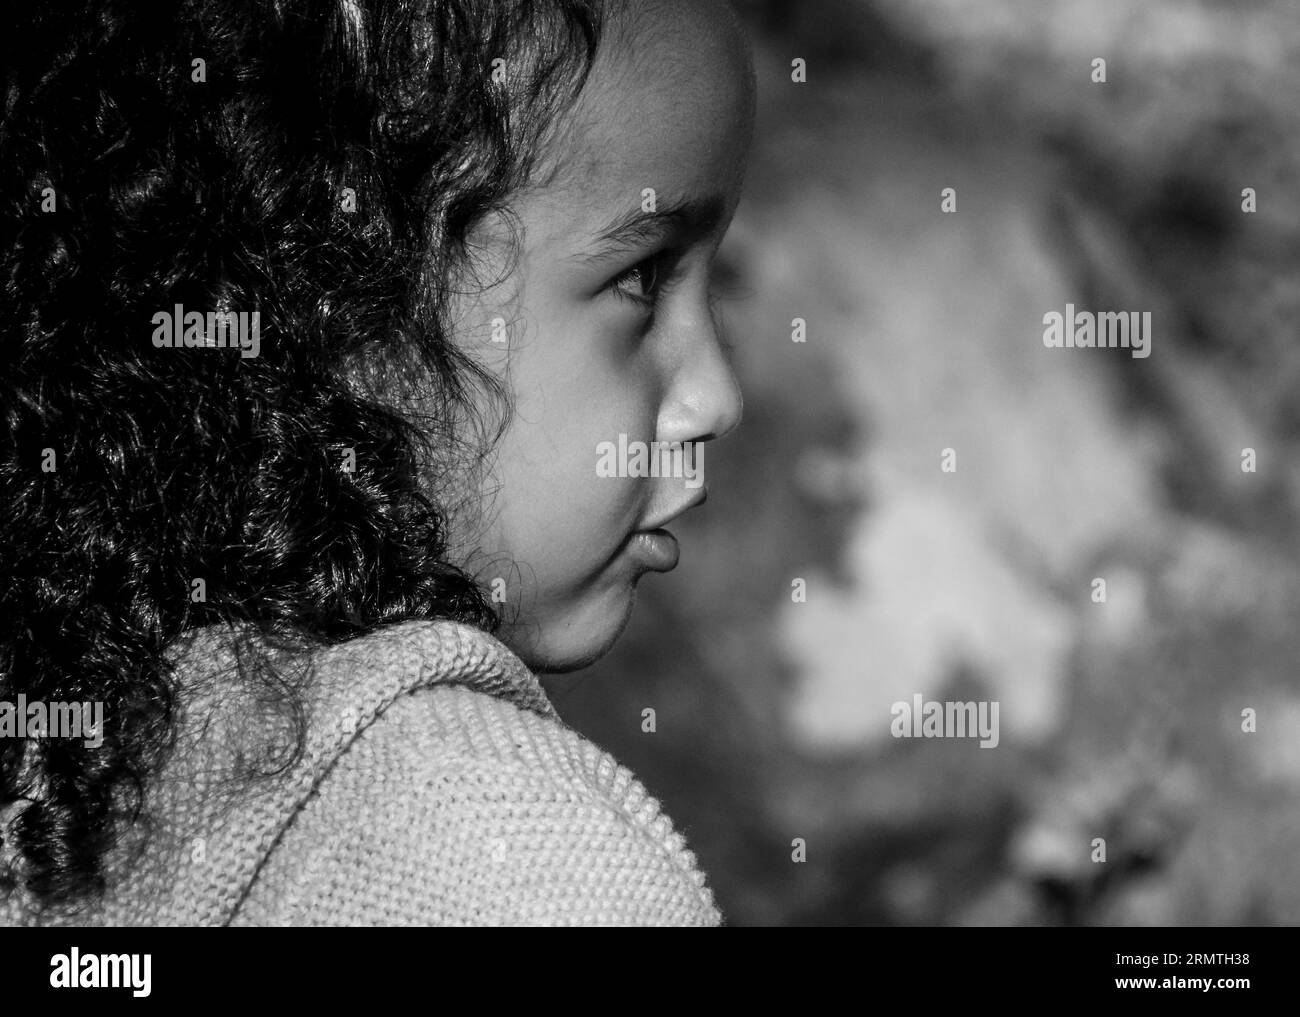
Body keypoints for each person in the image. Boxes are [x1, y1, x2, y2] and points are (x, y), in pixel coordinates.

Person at [0, 0, 753, 926]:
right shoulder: (512, 851)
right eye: (641, 276)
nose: (717, 394)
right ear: (346, 305)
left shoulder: (63, 775)